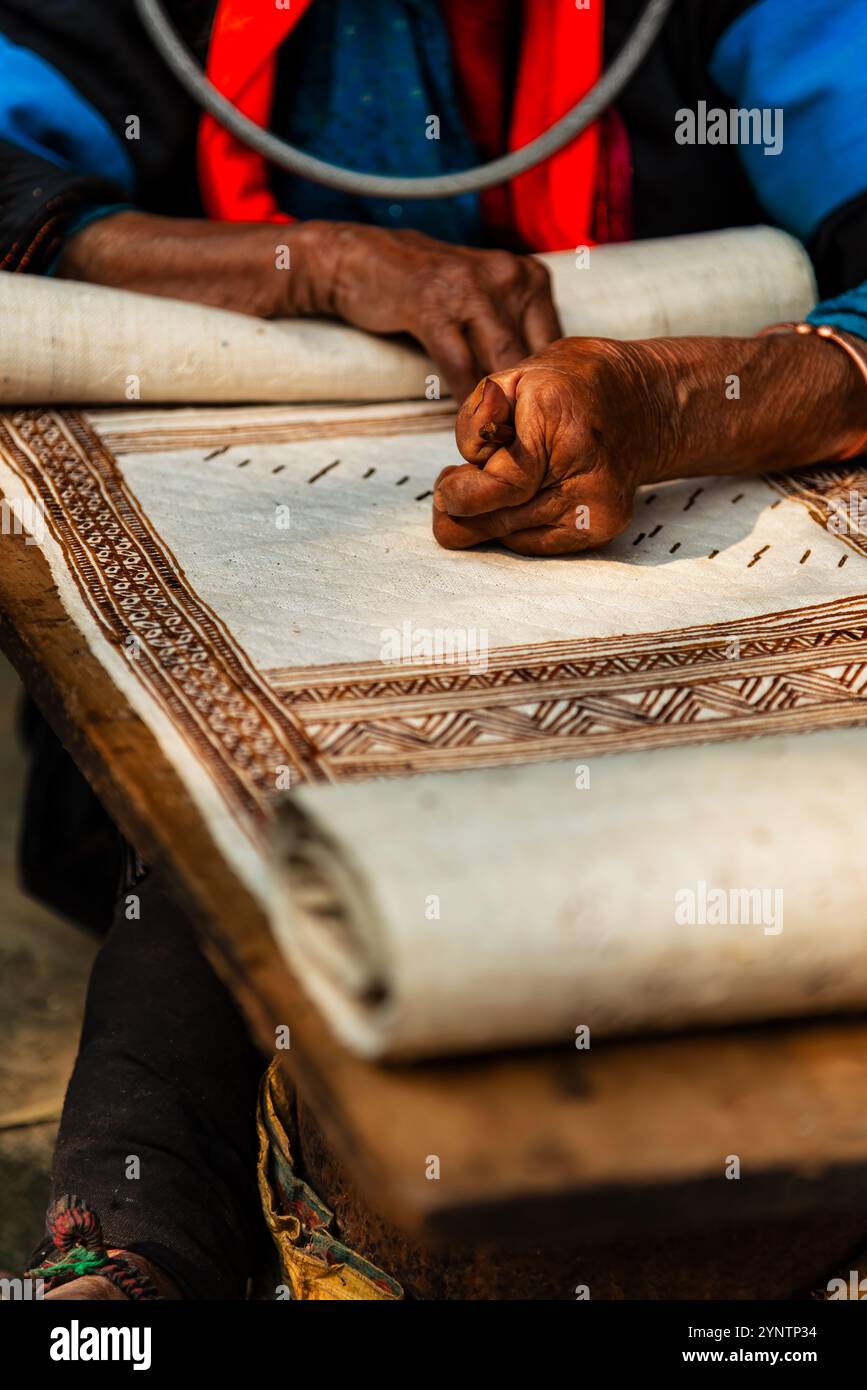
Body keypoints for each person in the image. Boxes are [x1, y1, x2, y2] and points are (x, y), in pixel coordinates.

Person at [1, 0, 866, 1298]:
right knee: (239, 773)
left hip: (671, 587)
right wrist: (315, 265)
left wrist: (679, 398)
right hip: (251, 576)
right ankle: (130, 1265)